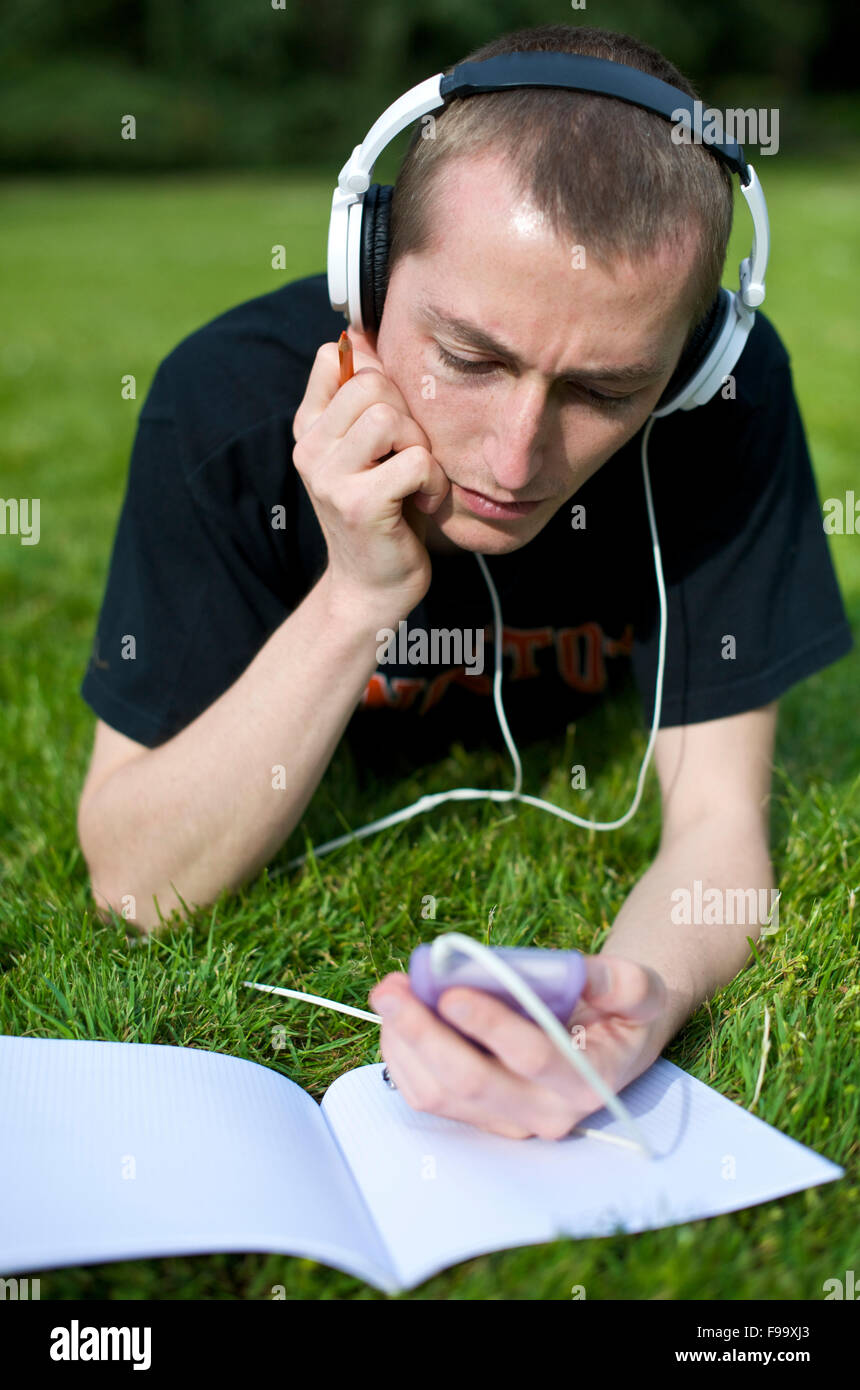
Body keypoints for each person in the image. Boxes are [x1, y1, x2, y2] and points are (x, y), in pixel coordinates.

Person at [76, 24, 851, 1140]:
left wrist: (617, 1019)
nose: (513, 457)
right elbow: (137, 883)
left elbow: (718, 826)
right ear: (368, 269)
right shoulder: (223, 406)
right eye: (470, 359)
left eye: (600, 390)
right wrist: (353, 596)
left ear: (694, 363)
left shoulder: (720, 407)